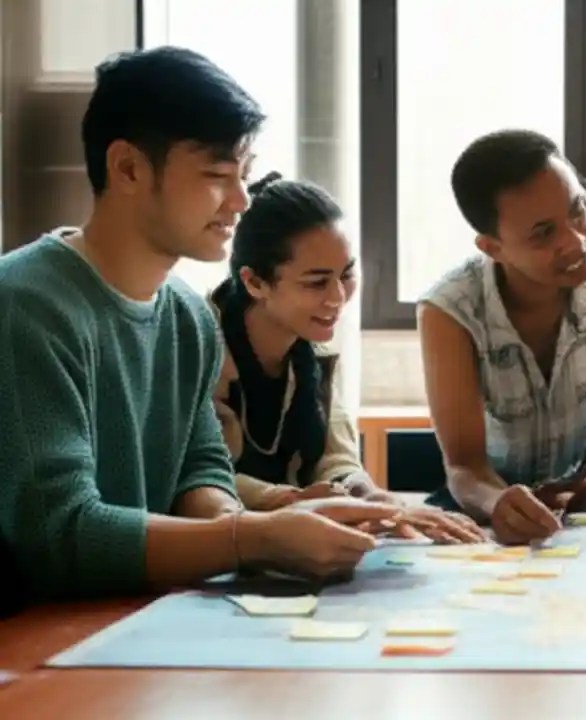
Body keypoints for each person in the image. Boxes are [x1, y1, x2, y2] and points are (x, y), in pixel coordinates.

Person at [0, 47, 401, 603]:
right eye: (217, 174)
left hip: (139, 622)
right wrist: (251, 538)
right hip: (34, 643)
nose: (240, 200)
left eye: (246, 174)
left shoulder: (188, 317)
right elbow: (59, 534)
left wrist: (274, 526)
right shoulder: (25, 303)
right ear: (128, 168)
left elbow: (201, 473)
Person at [210, 172, 483, 543]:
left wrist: (371, 497)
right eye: (317, 282)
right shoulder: (199, 345)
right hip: (216, 543)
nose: (338, 296)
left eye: (347, 274)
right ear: (255, 282)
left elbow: (336, 459)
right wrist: (291, 500)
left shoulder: (316, 351)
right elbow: (193, 474)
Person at [418, 129, 586, 546]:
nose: (576, 240)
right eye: (543, 233)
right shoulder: (449, 310)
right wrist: (498, 503)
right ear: (492, 247)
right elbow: (464, 467)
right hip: (479, 514)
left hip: (577, 514)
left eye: (578, 210)